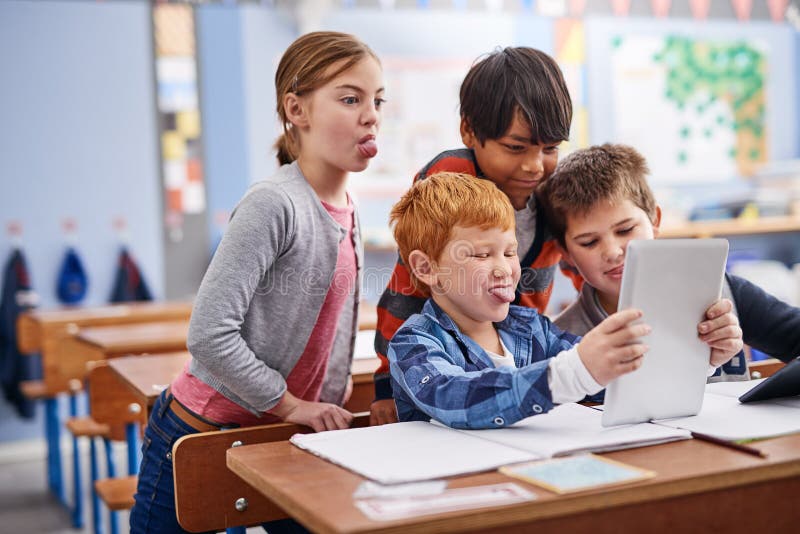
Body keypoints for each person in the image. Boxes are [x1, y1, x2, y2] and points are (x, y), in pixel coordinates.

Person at [130, 31, 384, 533]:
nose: (371, 114)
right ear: (297, 109)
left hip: (285, 437)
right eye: (350, 98)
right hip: (202, 433)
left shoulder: (349, 211)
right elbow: (209, 335)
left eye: (377, 101)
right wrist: (291, 403)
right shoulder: (275, 203)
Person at [385, 173, 742, 428]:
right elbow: (455, 398)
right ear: (427, 267)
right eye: (481, 255)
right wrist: (570, 374)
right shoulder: (414, 343)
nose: (504, 270)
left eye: (509, 253)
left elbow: (612, 378)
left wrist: (697, 358)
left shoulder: (531, 329)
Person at [371, 46, 581, 425]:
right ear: (469, 130)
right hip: (445, 352)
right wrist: (387, 381)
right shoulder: (453, 182)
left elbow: (585, 258)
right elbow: (406, 287)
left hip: (519, 346)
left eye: (550, 148)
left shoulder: (554, 192)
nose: (534, 165)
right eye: (515, 147)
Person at [538, 143, 798, 380]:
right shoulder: (559, 342)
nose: (613, 251)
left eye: (625, 230)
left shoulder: (721, 292)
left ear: (655, 222)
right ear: (566, 252)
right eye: (589, 242)